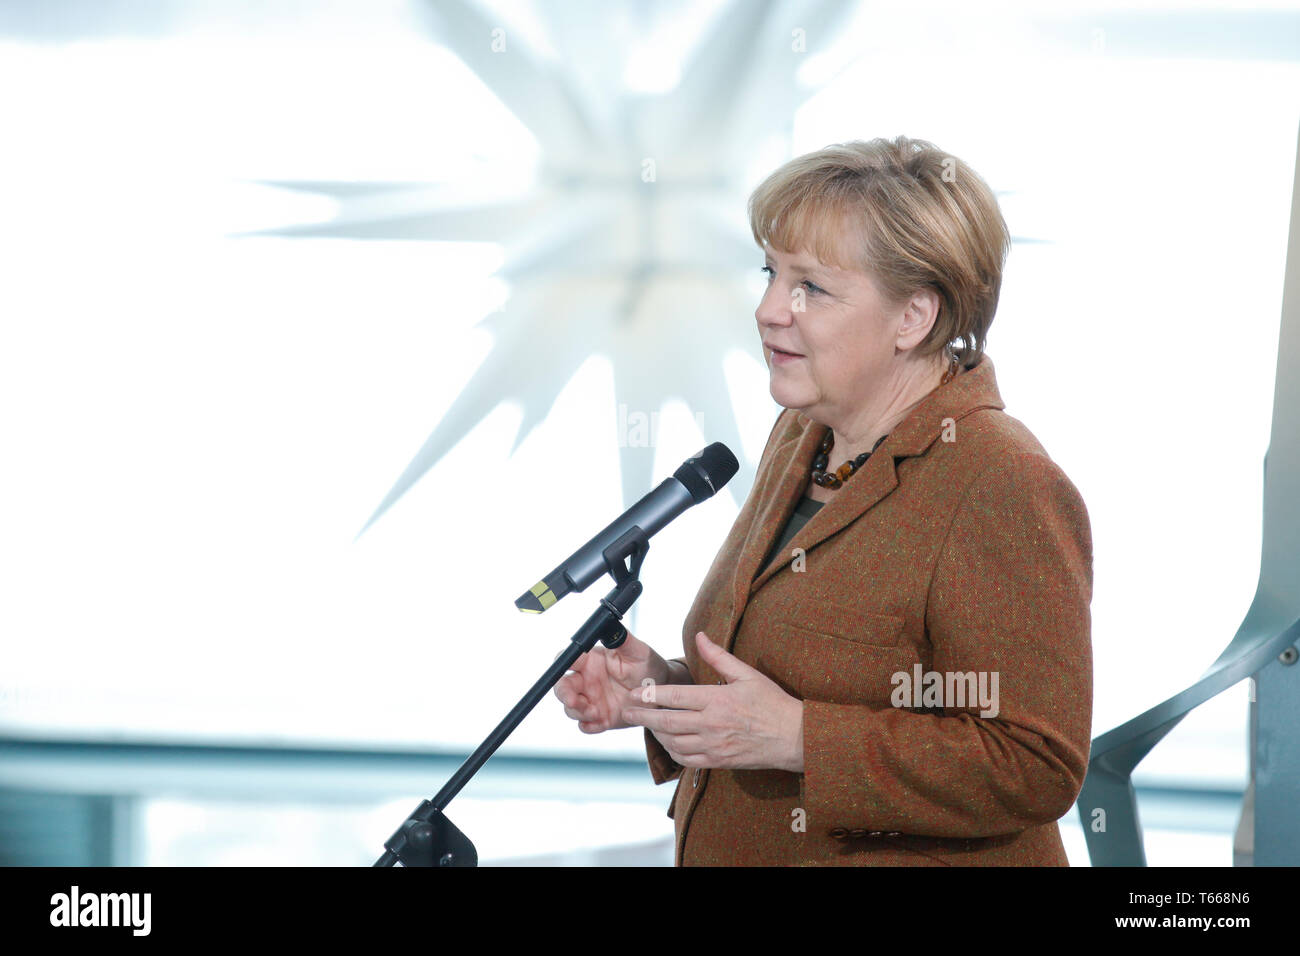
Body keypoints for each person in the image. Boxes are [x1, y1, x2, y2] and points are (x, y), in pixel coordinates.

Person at [554, 136, 1093, 866]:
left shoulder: (1002, 481)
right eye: (771, 273)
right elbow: (775, 690)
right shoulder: (802, 433)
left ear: (913, 318)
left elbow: (1035, 763)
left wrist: (801, 739)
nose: (770, 308)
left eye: (811, 287)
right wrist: (663, 693)